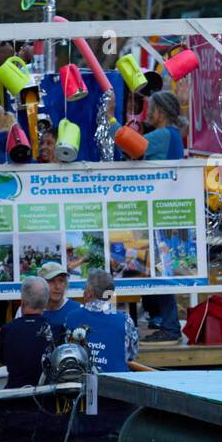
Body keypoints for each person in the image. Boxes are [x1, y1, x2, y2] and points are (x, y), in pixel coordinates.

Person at [137, 91, 186, 340]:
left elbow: (130, 147)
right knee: (157, 266)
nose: (147, 114)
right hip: (165, 206)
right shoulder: (174, 135)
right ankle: (158, 317)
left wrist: (110, 120)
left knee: (159, 268)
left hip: (157, 208)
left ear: (160, 112)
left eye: (150, 109)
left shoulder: (160, 136)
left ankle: (169, 326)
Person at [0, 277, 57, 388]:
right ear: (46, 302)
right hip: (45, 397)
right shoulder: (56, 329)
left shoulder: (7, 330)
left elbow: (4, 360)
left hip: (14, 396)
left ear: (22, 300)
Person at [80, 270, 138, 370]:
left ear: (89, 292)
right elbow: (132, 354)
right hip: (119, 380)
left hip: (83, 380)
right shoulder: (125, 320)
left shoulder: (71, 317)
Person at [139, 91, 186, 161]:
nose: (148, 113)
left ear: (162, 114)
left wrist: (115, 122)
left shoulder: (162, 134)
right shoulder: (174, 132)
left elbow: (129, 146)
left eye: (152, 109)